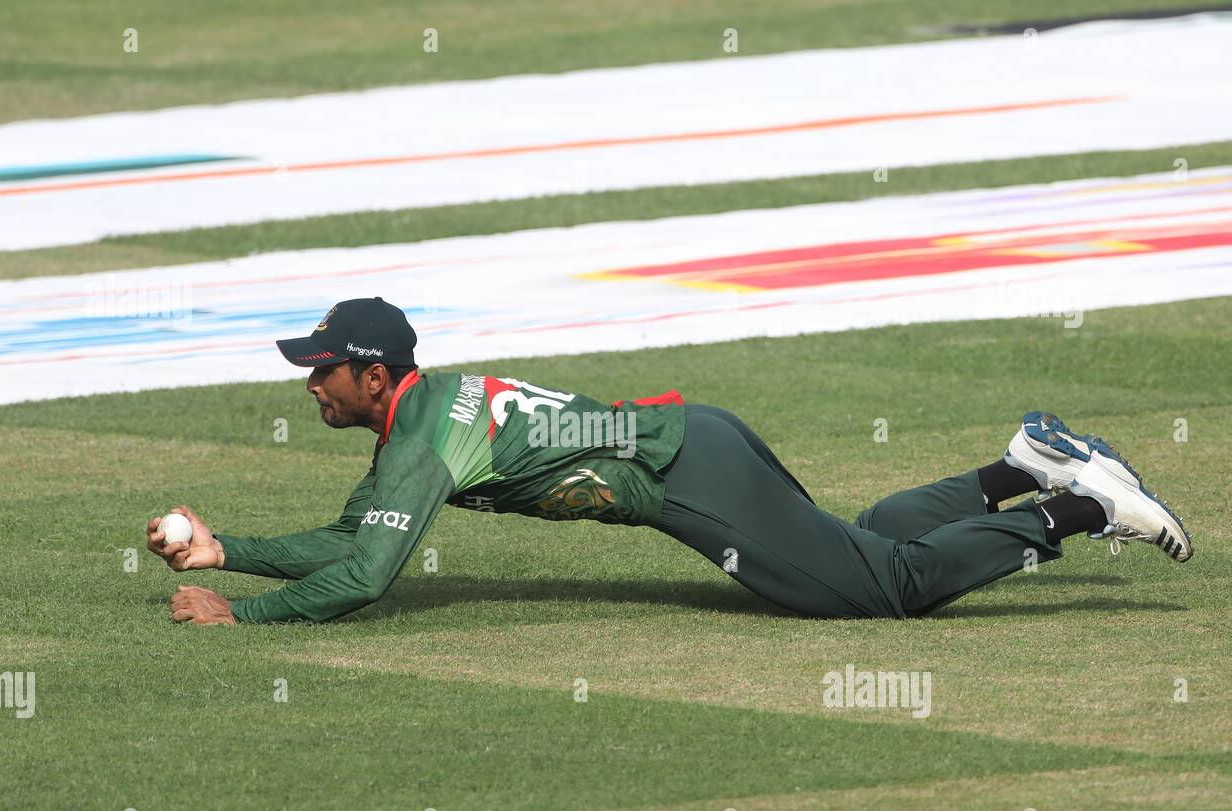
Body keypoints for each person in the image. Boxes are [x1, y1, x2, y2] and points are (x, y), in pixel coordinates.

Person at [149, 298, 1192, 625]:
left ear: (376, 378)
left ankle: (1080, 511)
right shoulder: (418, 416)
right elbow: (351, 538)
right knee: (865, 536)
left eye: (324, 369)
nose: (310, 384)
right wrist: (224, 551)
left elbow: (366, 574)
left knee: (889, 593)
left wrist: (243, 614)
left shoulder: (424, 439)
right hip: (698, 433)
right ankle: (1017, 468)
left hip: (693, 475)